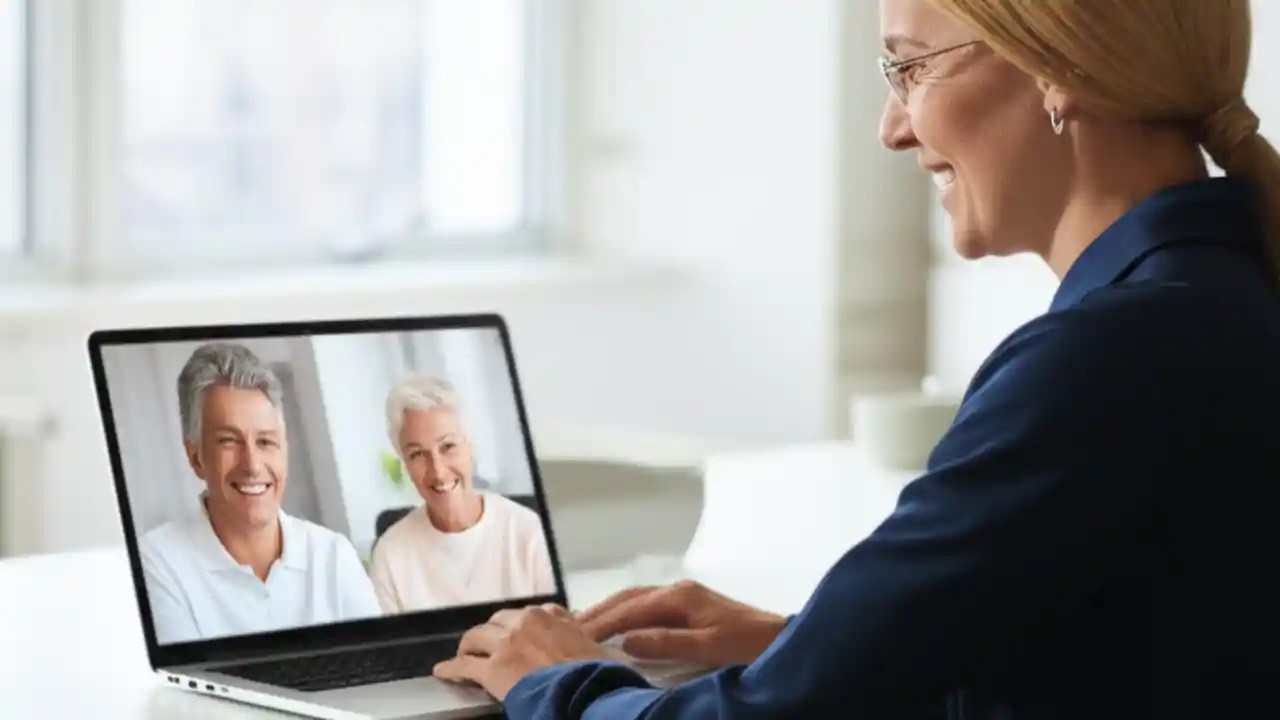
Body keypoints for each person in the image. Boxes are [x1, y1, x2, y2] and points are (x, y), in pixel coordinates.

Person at [430, 0, 1280, 717]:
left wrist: (558, 682)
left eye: (912, 69)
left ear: (1056, 72)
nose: (892, 129)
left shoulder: (1103, 362)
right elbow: (1123, 667)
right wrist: (817, 645)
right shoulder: (1225, 298)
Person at [138, 343, 383, 644]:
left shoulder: (333, 554)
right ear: (196, 457)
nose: (252, 466)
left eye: (266, 442)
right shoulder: (158, 563)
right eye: (229, 441)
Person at [368, 374, 556, 613]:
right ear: (405, 463)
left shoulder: (527, 531)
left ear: (469, 447)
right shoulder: (390, 554)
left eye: (447, 447)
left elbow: (556, 635)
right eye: (417, 454)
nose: (437, 471)